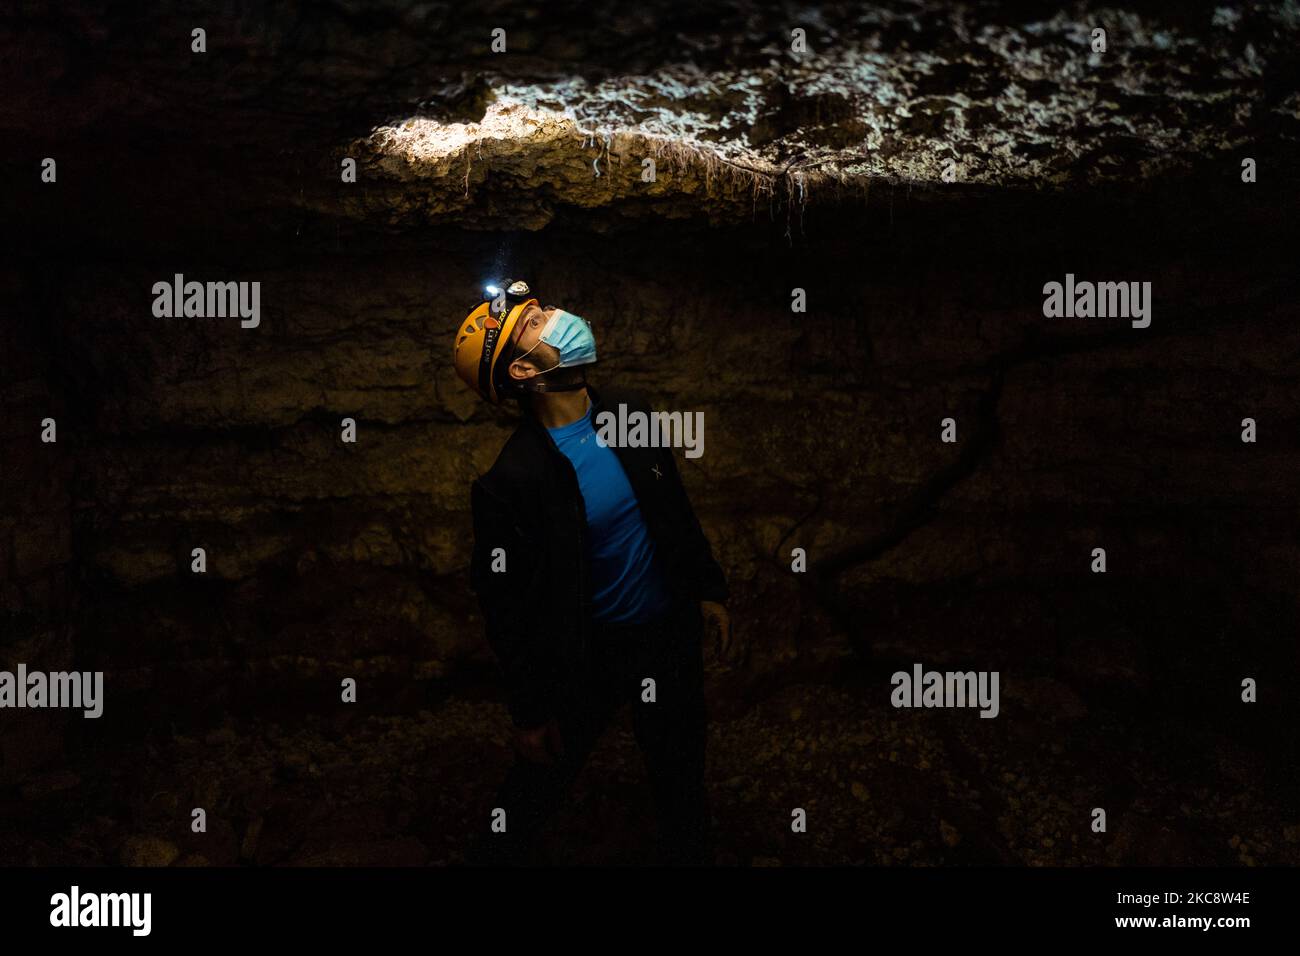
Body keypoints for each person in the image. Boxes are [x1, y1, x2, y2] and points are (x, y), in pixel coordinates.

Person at [452, 280, 736, 865]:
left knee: (680, 773)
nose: (555, 315)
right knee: (540, 779)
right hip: (590, 655)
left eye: (541, 307)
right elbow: (504, 607)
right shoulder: (513, 483)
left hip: (668, 639)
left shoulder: (628, 412)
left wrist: (707, 587)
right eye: (534, 322)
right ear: (526, 371)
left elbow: (670, 509)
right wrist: (530, 711)